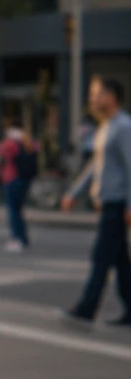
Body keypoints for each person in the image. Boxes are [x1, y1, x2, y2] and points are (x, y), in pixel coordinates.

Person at [59, 76, 131, 327]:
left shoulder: (123, 126)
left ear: (112, 96)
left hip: (117, 203)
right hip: (107, 203)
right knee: (121, 261)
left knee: (101, 257)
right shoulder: (105, 127)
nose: (92, 98)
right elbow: (94, 168)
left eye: (96, 93)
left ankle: (87, 308)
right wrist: (73, 193)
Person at [0, 120, 36, 251]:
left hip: (11, 178)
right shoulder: (28, 141)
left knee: (13, 210)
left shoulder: (10, 143)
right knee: (18, 209)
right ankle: (23, 237)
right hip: (24, 180)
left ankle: (16, 238)